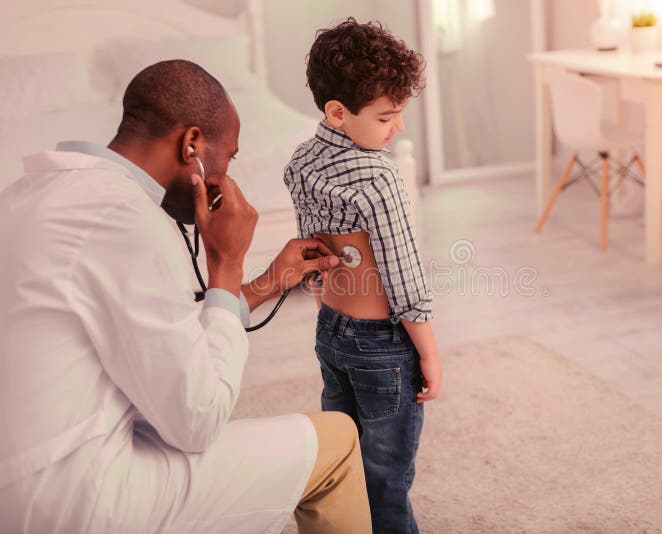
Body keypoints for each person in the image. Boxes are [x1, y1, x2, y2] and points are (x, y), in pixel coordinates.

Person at [0, 60, 372, 533]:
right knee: (337, 441)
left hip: (18, 487)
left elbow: (152, 332)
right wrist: (227, 263)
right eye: (229, 156)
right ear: (191, 144)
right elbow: (198, 419)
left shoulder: (29, 194)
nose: (227, 171)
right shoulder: (127, 220)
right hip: (71, 504)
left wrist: (266, 284)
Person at [284, 18, 442, 534]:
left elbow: (310, 250)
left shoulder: (301, 161)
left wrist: (323, 301)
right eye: (386, 117)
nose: (398, 128)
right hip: (382, 347)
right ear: (338, 111)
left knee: (344, 463)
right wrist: (428, 351)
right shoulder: (379, 177)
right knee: (386, 479)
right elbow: (404, 275)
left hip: (330, 331)